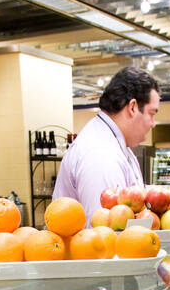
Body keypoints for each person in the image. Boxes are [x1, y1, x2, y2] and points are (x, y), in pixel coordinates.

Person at [54, 66, 159, 214]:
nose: (153, 123)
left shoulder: (115, 144)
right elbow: (103, 225)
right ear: (133, 108)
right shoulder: (101, 154)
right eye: (152, 114)